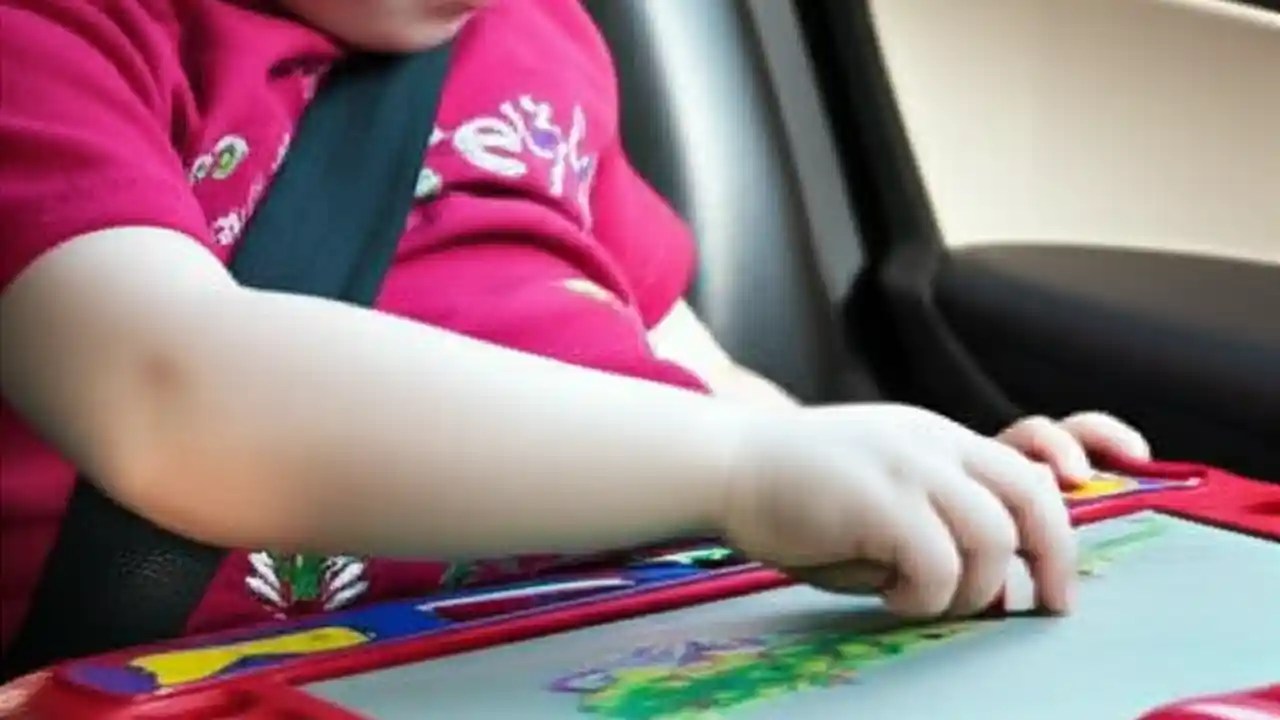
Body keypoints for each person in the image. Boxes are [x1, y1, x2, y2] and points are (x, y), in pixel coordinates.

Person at [0, 0, 1152, 661]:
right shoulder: (49, 36)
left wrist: (912, 475)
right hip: (212, 672)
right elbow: (166, 397)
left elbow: (683, 369)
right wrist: (742, 470)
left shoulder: (534, 34)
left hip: (624, 641)